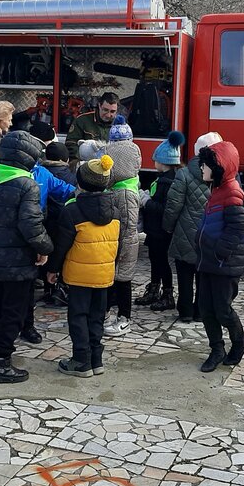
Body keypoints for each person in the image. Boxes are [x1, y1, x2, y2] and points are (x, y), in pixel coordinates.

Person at [0, 131, 53, 384]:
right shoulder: (26, 185)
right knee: (14, 312)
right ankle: (1, 362)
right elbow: (31, 224)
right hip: (18, 261)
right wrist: (45, 248)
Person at [47, 154, 119, 377]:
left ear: (80, 183)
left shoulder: (72, 211)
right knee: (97, 316)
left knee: (78, 316)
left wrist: (52, 269)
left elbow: (61, 246)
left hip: (78, 276)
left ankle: (80, 360)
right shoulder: (115, 213)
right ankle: (96, 359)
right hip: (104, 274)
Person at [195, 140, 244, 373]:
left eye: (205, 165)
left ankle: (239, 342)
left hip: (223, 265)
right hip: (207, 262)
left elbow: (239, 229)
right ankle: (216, 349)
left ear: (219, 167)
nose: (201, 169)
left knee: (222, 309)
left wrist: (220, 252)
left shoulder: (232, 194)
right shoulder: (216, 189)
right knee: (206, 308)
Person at [21, 121, 76, 343]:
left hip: (37, 232)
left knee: (27, 284)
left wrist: (87, 195)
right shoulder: (6, 176)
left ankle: (27, 325)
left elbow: (66, 190)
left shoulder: (42, 173)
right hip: (16, 238)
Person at [163, 132, 221, 323]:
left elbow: (173, 205)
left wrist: (168, 227)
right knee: (203, 275)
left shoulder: (184, 174)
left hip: (185, 231)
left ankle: (186, 310)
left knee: (184, 273)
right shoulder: (223, 176)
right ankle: (200, 311)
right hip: (210, 234)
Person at [101, 115, 141, 337]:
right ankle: (111, 313)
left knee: (121, 280)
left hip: (122, 244)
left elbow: (125, 226)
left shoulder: (121, 192)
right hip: (124, 242)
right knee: (118, 279)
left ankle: (124, 318)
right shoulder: (131, 185)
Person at [141, 130, 185, 311]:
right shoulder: (170, 179)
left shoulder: (165, 183)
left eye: (155, 160)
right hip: (157, 230)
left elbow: (162, 208)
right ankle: (154, 289)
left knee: (160, 261)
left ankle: (166, 293)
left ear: (163, 162)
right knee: (155, 259)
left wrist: (146, 201)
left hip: (159, 230)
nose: (154, 163)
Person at [66, 92, 119, 164]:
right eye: (105, 110)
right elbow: (70, 143)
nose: (108, 115)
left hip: (112, 166)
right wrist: (80, 163)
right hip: (87, 166)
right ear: (99, 106)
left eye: (112, 111)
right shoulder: (82, 120)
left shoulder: (121, 126)